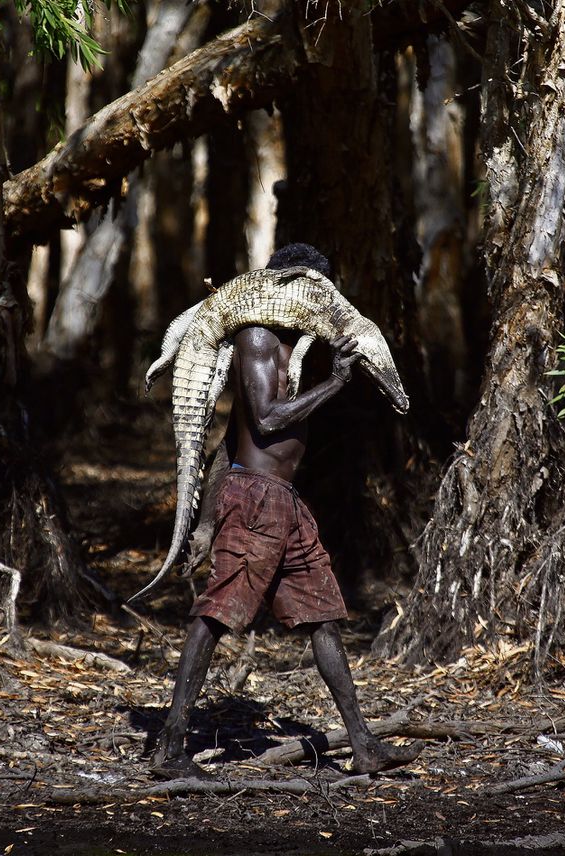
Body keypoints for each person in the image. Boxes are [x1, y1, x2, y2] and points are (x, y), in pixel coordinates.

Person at [150, 243, 423, 780]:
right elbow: (267, 422)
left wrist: (206, 521)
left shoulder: (286, 348)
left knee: (322, 619)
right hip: (255, 500)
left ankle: (364, 745)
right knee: (217, 615)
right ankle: (168, 748)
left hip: (283, 505)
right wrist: (337, 383)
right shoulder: (256, 338)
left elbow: (229, 442)